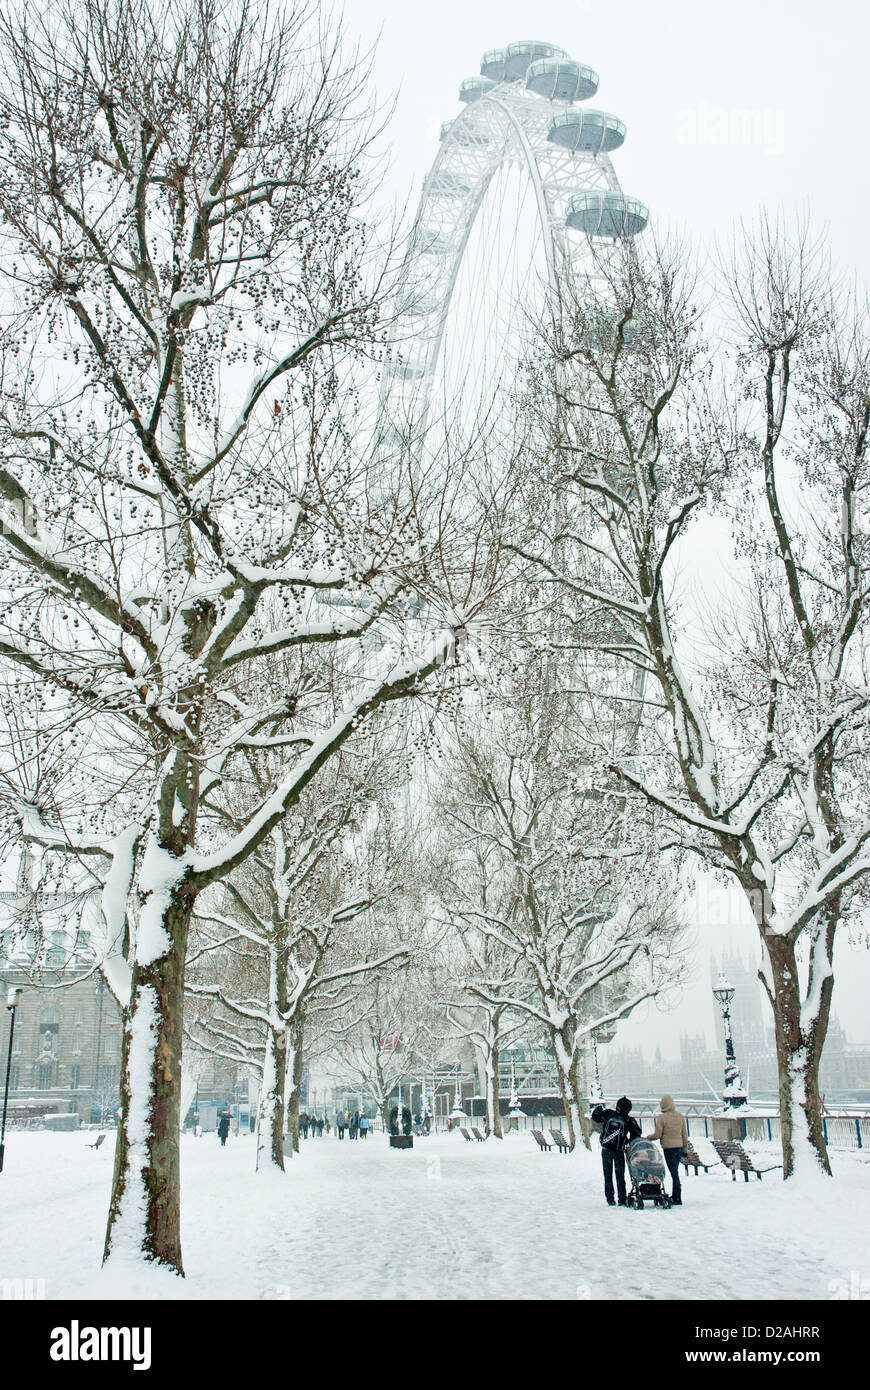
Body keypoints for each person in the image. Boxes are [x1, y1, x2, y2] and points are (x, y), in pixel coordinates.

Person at [590, 1096, 640, 1206]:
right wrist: (627, 1140)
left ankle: (610, 1198)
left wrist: (598, 1107)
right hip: (619, 1150)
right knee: (620, 1175)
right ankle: (621, 1198)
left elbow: (595, 1117)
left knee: (607, 1175)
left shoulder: (609, 1114)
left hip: (606, 1149)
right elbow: (637, 1133)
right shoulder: (628, 1120)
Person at [645, 1095, 689, 1205]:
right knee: (675, 1171)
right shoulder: (680, 1116)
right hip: (679, 1148)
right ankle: (676, 1195)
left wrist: (648, 1137)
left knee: (674, 1173)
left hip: (668, 1148)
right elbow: (684, 1135)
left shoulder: (662, 1117)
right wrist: (685, 1149)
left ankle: (677, 1196)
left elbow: (658, 1134)